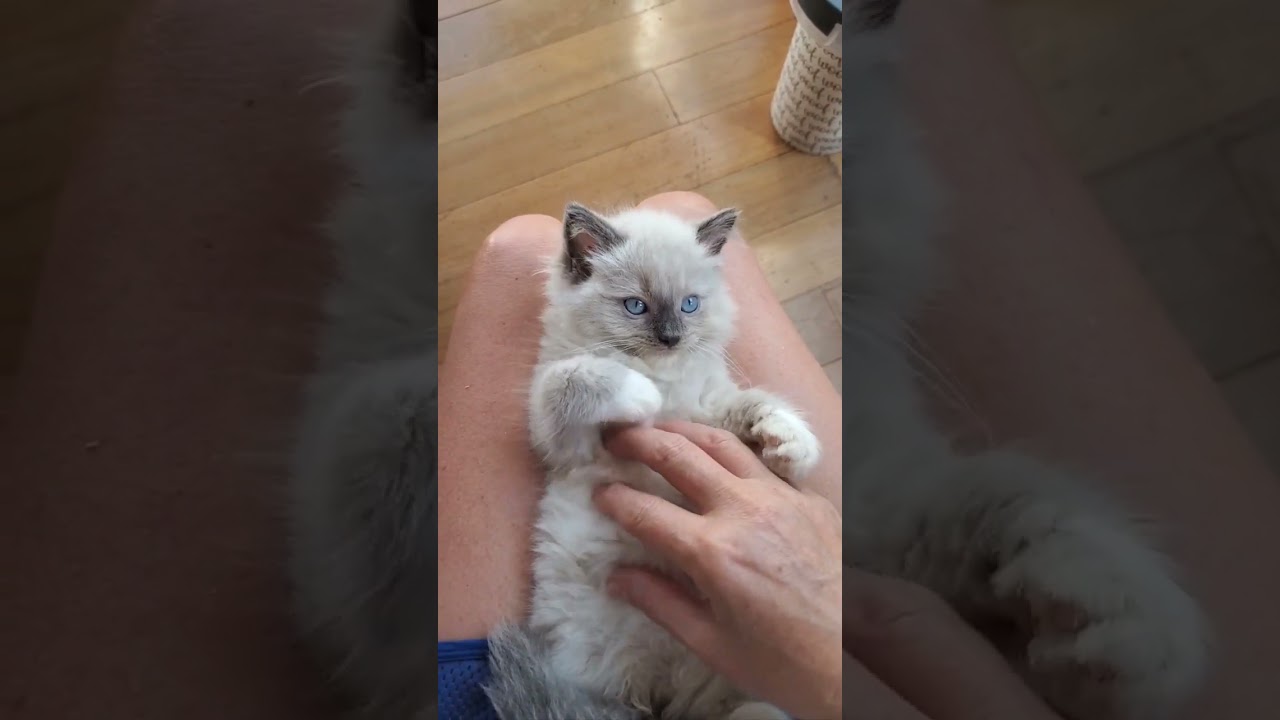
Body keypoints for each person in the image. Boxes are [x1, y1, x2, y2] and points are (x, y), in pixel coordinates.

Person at [437, 190, 1063, 719]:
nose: (670, 333)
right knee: (677, 213)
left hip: (661, 636)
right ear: (581, 265)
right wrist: (587, 384)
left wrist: (758, 418)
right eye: (637, 307)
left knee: (522, 243)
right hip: (615, 620)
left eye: (689, 306)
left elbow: (713, 404)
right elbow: (564, 436)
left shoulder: (687, 349)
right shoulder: (577, 347)